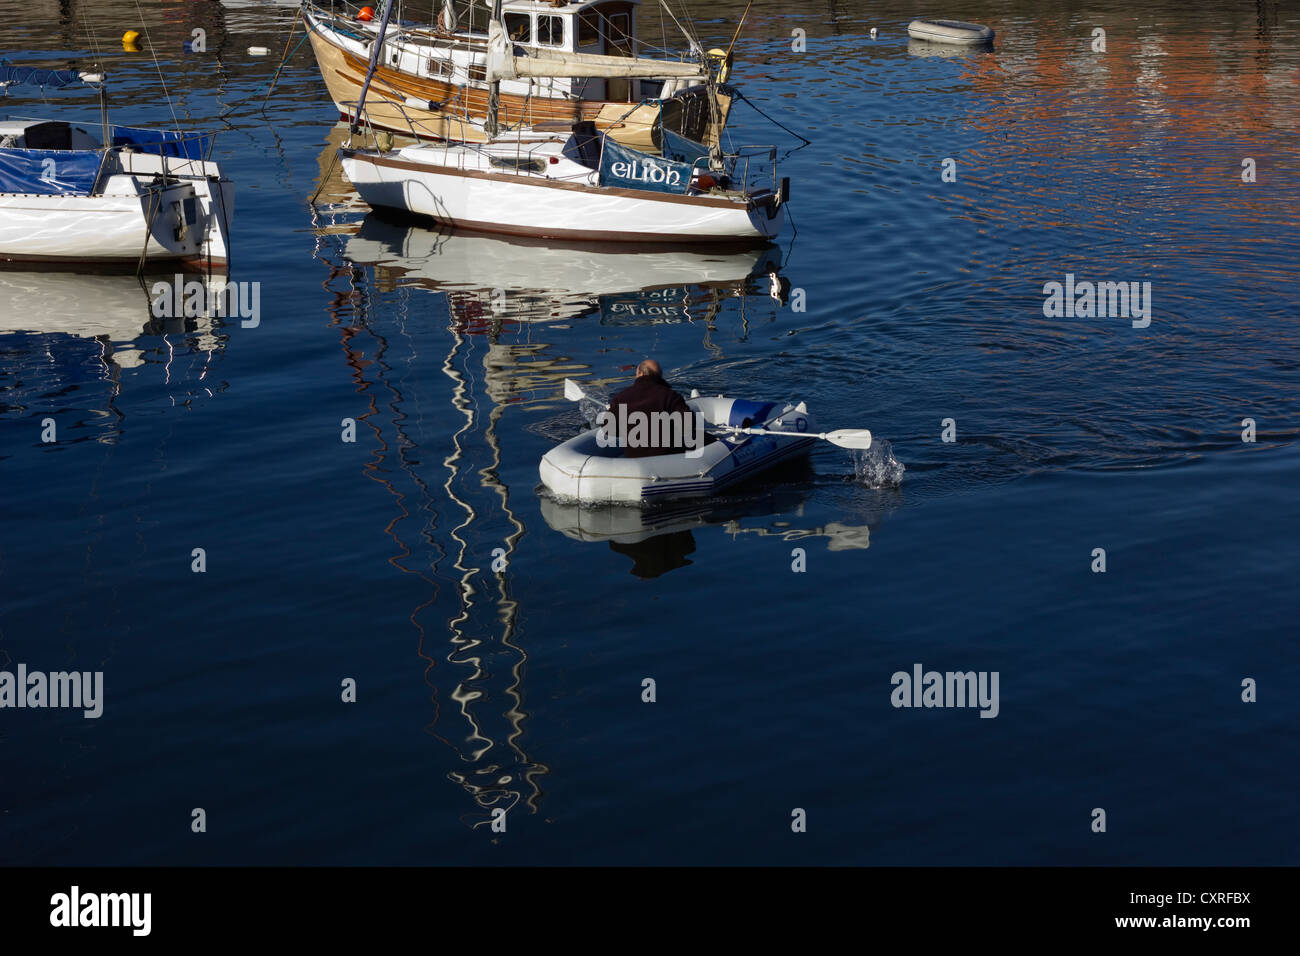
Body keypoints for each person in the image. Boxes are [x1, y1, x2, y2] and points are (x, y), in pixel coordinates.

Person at [604, 359, 696, 458]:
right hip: (668, 458)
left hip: (633, 459)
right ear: (659, 376)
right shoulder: (669, 396)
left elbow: (609, 429)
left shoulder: (620, 398)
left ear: (640, 373)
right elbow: (688, 425)